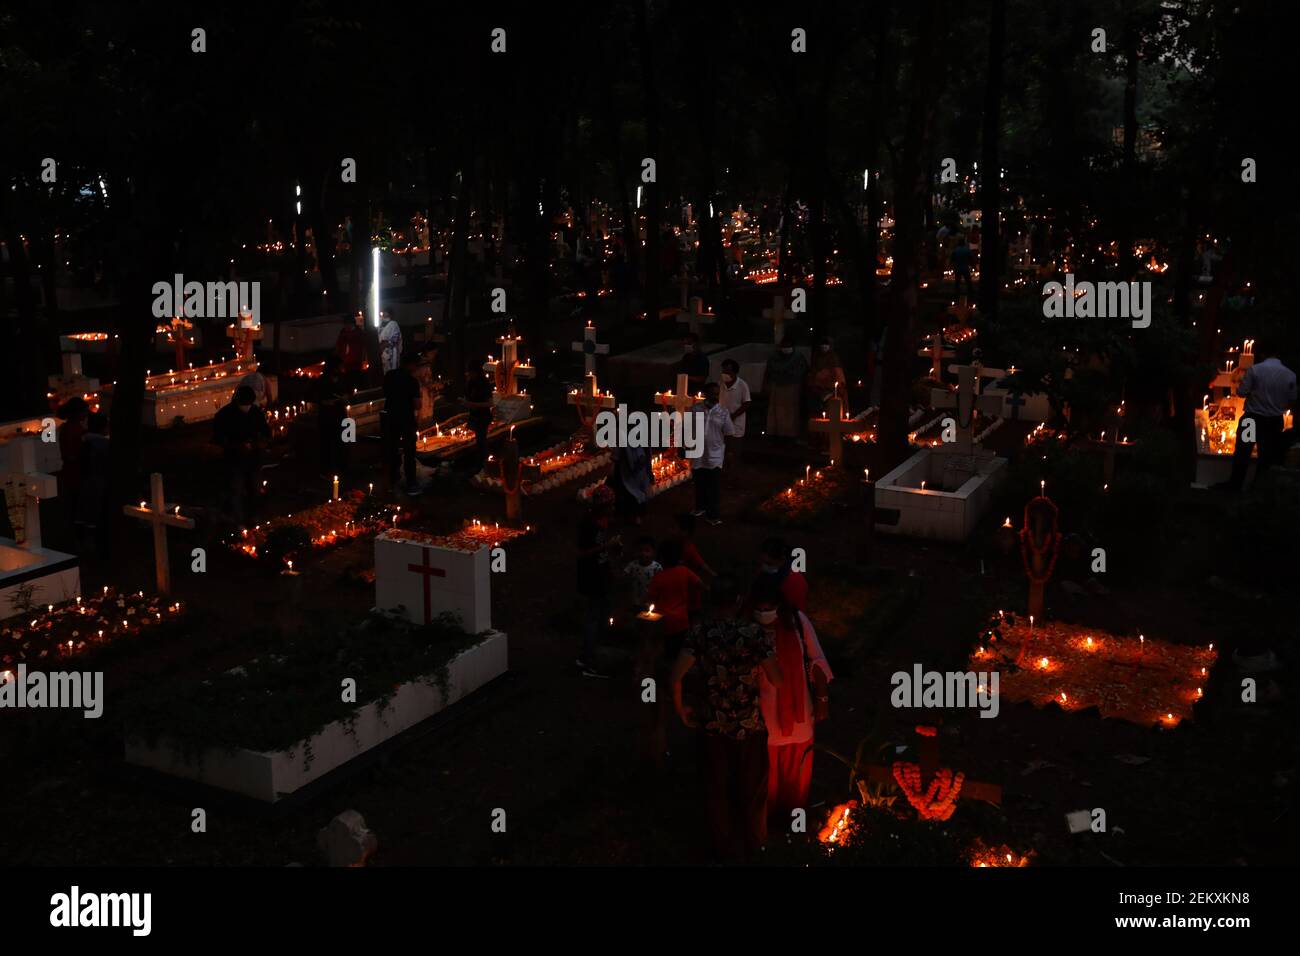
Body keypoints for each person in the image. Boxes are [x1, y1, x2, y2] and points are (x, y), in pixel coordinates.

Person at [671, 578, 782, 862]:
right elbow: (777, 679)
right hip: (749, 725)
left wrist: (682, 709)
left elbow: (675, 676)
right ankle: (756, 846)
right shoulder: (754, 633)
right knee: (753, 790)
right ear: (738, 601)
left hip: (712, 725)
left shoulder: (699, 633)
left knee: (715, 788)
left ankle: (721, 846)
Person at [748, 579, 831, 823]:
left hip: (798, 712)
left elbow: (816, 658)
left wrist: (822, 700)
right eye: (759, 609)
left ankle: (793, 819)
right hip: (762, 715)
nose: (764, 614)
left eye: (769, 608)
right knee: (766, 770)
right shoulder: (746, 628)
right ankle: (766, 821)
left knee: (796, 768)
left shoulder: (796, 622)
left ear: (779, 606)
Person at [1226, 340, 1297, 491]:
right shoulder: (1290, 375)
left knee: (1243, 453)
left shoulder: (1255, 370)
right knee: (1266, 457)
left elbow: (1242, 392)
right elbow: (1292, 399)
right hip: (1273, 422)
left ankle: (1235, 485)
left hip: (1252, 419)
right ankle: (1258, 490)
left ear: (1263, 354)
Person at [576, 484, 620, 678]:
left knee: (602, 613)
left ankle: (594, 652)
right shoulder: (588, 525)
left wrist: (613, 550)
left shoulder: (604, 522)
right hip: (591, 576)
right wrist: (605, 547)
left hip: (602, 574)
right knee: (593, 616)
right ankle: (589, 660)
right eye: (610, 505)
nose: (613, 509)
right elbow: (582, 553)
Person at [213, 385, 271, 528]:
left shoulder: (255, 412)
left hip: (253, 459)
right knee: (236, 491)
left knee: (255, 490)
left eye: (249, 404)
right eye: (244, 404)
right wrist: (237, 446)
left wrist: (260, 442)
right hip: (234, 460)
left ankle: (253, 517)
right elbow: (219, 438)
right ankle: (238, 521)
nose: (246, 407)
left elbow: (266, 432)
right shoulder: (224, 415)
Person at [645, 537, 704, 660]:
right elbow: (699, 583)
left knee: (664, 652)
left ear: (661, 558)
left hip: (664, 623)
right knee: (677, 653)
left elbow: (650, 599)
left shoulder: (658, 578)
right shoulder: (684, 571)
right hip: (682, 621)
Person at [689, 381, 734, 525]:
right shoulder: (694, 409)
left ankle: (713, 515)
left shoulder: (723, 412)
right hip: (697, 454)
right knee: (699, 482)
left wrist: (729, 453)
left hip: (715, 454)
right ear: (706, 394)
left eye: (717, 393)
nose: (715, 396)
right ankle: (700, 507)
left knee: (713, 486)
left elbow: (729, 433)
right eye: (712, 393)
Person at [382, 350, 423, 495]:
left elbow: (385, 393)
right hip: (406, 419)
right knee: (409, 452)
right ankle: (411, 483)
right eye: (416, 365)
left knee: (392, 449)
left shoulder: (389, 375)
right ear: (411, 365)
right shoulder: (412, 381)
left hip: (390, 417)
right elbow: (417, 404)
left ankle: (392, 480)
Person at [75, 412, 111, 558]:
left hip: (84, 482)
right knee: (94, 513)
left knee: (84, 512)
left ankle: (83, 542)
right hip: (97, 483)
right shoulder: (103, 445)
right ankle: (92, 547)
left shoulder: (83, 441)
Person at [765, 337, 808, 439]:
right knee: (777, 411)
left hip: (792, 387)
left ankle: (790, 435)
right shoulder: (774, 357)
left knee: (790, 413)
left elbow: (802, 370)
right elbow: (770, 370)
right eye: (784, 346)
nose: (786, 348)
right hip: (777, 387)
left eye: (788, 346)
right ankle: (776, 434)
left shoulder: (798, 357)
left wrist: (790, 374)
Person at [755, 537, 808, 612]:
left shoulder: (795, 580)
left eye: (769, 563)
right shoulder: (766, 573)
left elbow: (794, 611)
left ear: (782, 560)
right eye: (761, 562)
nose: (763, 566)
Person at [462, 360, 494, 475]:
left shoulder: (484, 383)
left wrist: (474, 405)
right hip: (474, 415)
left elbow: (490, 403)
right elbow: (469, 396)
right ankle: (480, 464)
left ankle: (483, 466)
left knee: (481, 441)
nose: (468, 374)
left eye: (470, 372)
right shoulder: (470, 382)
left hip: (483, 416)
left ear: (476, 372)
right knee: (479, 441)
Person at [718, 359, 752, 468]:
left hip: (736, 423)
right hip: (721, 423)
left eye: (728, 372)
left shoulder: (742, 385)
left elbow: (747, 403)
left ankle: (733, 474)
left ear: (734, 373)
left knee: (734, 450)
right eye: (724, 372)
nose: (725, 375)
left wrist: (733, 416)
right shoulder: (721, 384)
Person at [608, 443, 652, 524]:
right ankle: (636, 514)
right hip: (632, 467)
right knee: (634, 491)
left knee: (632, 491)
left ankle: (635, 514)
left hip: (634, 468)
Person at [807, 336, 848, 416]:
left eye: (826, 344)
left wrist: (838, 386)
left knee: (832, 412)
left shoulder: (834, 358)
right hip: (818, 390)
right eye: (822, 344)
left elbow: (838, 375)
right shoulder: (817, 357)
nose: (824, 346)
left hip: (832, 390)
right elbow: (813, 373)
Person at [623, 536, 662, 611]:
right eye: (640, 550)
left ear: (653, 552)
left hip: (651, 602)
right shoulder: (632, 565)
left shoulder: (657, 567)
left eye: (647, 551)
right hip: (635, 602)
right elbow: (624, 577)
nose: (643, 553)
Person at [673, 513, 716, 580]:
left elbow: (702, 565)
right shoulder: (677, 544)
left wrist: (715, 576)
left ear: (685, 532)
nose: (670, 530)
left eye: (674, 527)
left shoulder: (689, 549)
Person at [335, 312, 368, 388]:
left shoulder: (358, 333)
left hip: (356, 362)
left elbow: (363, 346)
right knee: (348, 383)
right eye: (345, 324)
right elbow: (339, 345)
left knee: (356, 381)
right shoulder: (343, 332)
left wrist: (363, 358)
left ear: (351, 324)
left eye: (347, 324)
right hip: (346, 362)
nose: (346, 326)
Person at [951, 234, 974, 301]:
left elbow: (952, 259)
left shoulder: (956, 250)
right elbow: (971, 258)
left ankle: (956, 294)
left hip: (958, 268)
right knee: (968, 282)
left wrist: (952, 265)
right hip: (965, 268)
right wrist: (973, 265)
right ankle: (970, 293)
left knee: (957, 282)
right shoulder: (967, 250)